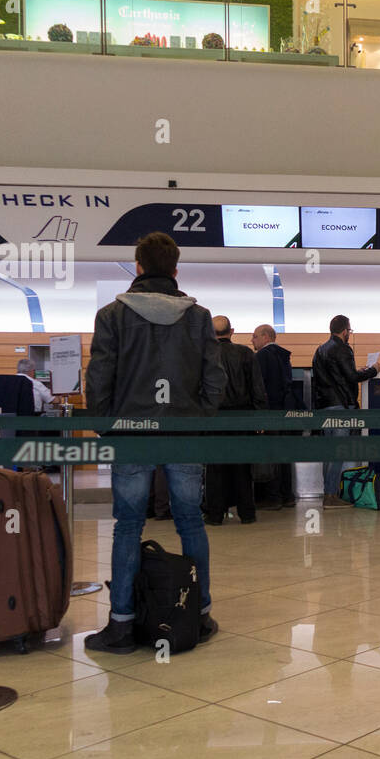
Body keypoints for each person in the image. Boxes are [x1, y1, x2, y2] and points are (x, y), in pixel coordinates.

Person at [83, 232, 227, 654]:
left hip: (131, 433)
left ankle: (122, 625)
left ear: (139, 267)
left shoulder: (111, 315)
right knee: (190, 522)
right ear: (176, 270)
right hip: (183, 433)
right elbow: (214, 379)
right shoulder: (199, 318)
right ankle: (198, 614)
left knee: (128, 526)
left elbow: (99, 378)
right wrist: (198, 418)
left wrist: (107, 426)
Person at [204, 315, 267, 525]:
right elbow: (257, 388)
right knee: (242, 468)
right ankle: (247, 513)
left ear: (211, 334)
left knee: (215, 469)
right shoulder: (246, 353)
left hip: (214, 419)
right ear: (232, 331)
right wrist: (260, 420)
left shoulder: (204, 356)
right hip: (243, 418)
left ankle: (215, 514)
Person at [311, 314, 379, 509]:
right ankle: (331, 496)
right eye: (350, 330)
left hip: (325, 406)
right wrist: (373, 370)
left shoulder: (320, 350)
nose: (349, 334)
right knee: (338, 453)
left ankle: (329, 493)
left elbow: (334, 376)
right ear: (345, 331)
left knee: (329, 453)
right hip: (341, 406)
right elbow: (351, 377)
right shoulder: (343, 348)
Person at [251, 323, 297, 508]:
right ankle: (287, 496)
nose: (252, 340)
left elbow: (259, 386)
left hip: (269, 412)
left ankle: (272, 497)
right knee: (284, 455)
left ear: (265, 337)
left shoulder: (262, 356)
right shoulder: (284, 356)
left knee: (270, 455)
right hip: (284, 412)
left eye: (254, 336)